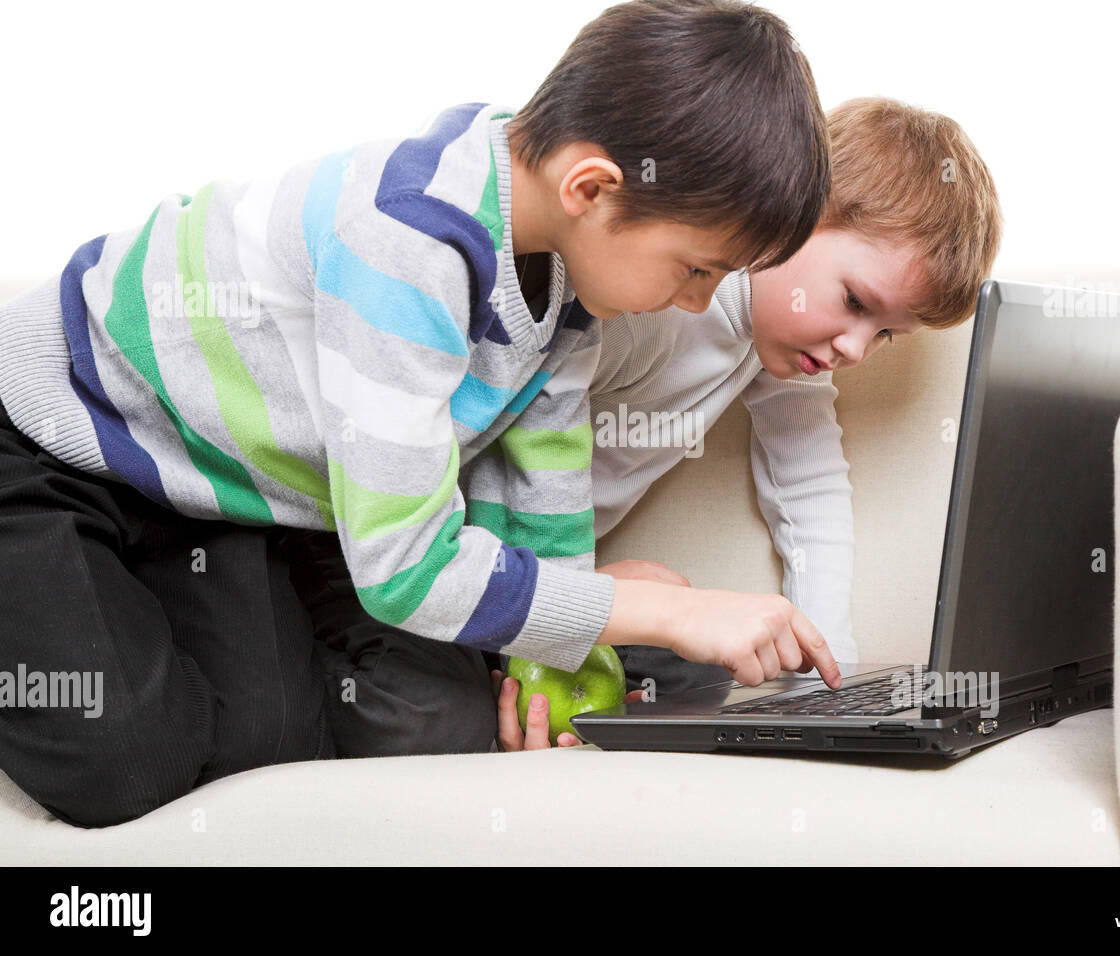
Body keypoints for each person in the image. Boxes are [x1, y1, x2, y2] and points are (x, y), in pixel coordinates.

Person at [0, 0, 838, 828]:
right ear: (592, 186)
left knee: (278, 733)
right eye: (696, 270)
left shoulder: (572, 283)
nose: (695, 306)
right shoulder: (407, 239)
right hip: (51, 437)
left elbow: (543, 503)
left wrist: (555, 654)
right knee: (128, 760)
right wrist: (668, 613)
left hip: (208, 493)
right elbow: (405, 568)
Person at [495, 97, 1003, 749]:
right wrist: (561, 600)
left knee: (709, 685)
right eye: (854, 302)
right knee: (427, 713)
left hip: (566, 592)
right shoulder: (649, 297)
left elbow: (809, 491)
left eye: (886, 335)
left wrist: (831, 689)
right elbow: (504, 442)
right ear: (792, 213)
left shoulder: (785, 346)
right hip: (483, 565)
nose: (854, 348)